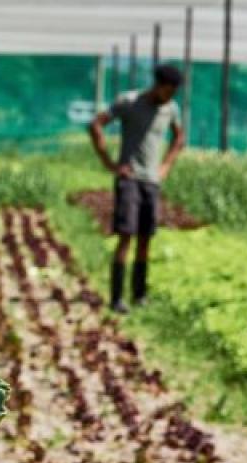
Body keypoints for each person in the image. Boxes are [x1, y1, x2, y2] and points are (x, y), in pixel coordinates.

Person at [88, 64, 185, 313]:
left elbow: (179, 138)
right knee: (126, 236)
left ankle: (139, 294)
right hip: (129, 179)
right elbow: (96, 124)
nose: (170, 96)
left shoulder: (170, 109)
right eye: (168, 91)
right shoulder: (129, 102)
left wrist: (165, 167)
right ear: (158, 85)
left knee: (146, 238)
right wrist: (109, 163)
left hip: (151, 181)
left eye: (174, 93)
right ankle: (117, 297)